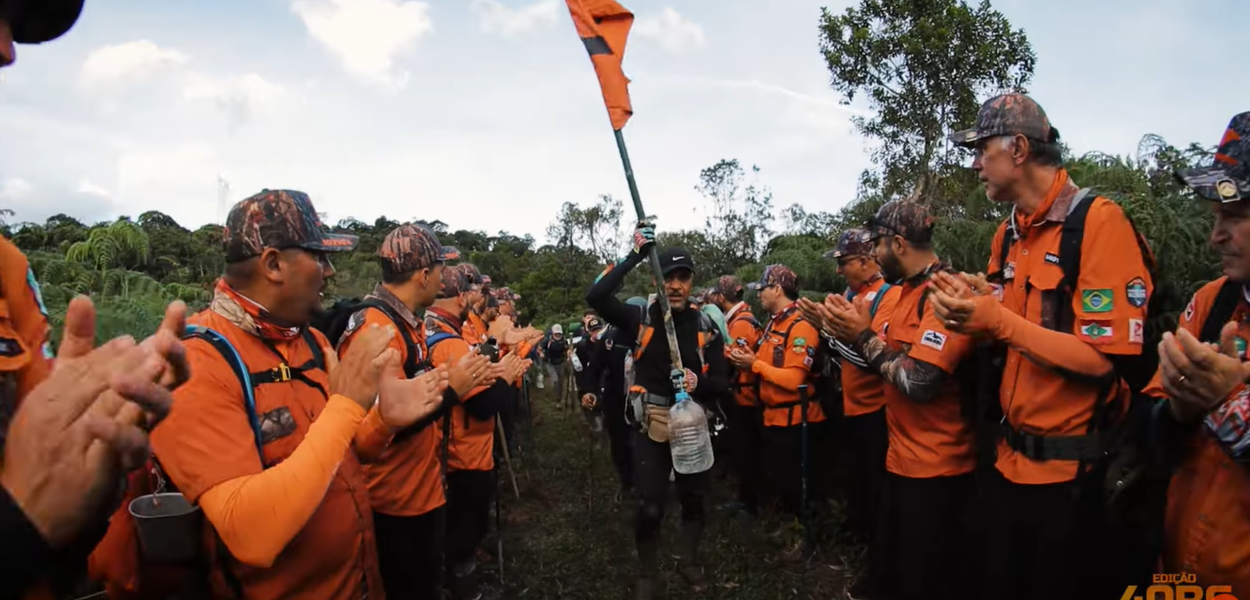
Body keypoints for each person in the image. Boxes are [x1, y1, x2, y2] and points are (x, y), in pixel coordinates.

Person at [147, 190, 447, 600]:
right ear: (273, 264)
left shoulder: (310, 342)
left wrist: (382, 422)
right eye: (318, 257)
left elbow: (345, 452)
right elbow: (250, 533)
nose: (329, 272)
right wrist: (346, 406)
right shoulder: (198, 362)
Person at [935, 93, 1156, 600]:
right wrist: (973, 310)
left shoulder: (1098, 224)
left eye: (981, 150)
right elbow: (1003, 318)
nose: (974, 165)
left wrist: (998, 321)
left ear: (1016, 149)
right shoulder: (1007, 235)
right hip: (1007, 461)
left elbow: (1104, 361)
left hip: (1071, 479)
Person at [1, 2, 190, 598]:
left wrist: (88, 485)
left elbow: (50, 486)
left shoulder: (7, 269)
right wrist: (18, 528)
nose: (8, 50)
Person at [821, 200, 976, 600]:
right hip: (901, 458)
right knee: (890, 566)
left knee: (926, 576)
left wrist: (861, 336)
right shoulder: (907, 292)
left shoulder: (943, 294)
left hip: (937, 468)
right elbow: (887, 360)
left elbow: (920, 381)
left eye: (878, 246)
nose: (872, 255)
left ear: (900, 244)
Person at [585, 224, 731, 600]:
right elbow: (597, 295)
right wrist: (635, 254)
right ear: (657, 279)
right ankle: (647, 569)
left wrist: (699, 381)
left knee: (694, 499)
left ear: (692, 280)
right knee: (649, 502)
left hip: (693, 424)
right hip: (651, 422)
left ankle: (688, 559)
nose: (676, 285)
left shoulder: (706, 325)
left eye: (683, 277)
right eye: (668, 277)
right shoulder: (641, 319)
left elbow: (723, 381)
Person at [343, 223, 486, 600]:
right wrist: (453, 389)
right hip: (395, 501)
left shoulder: (405, 323)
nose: (442, 279)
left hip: (421, 490)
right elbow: (386, 420)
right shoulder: (378, 329)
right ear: (424, 275)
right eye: (439, 269)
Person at [1140, 112, 1250, 594]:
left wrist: (1234, 405)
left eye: (1234, 216)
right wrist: (1180, 411)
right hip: (1180, 573)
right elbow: (1154, 435)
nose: (1215, 236)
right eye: (1215, 218)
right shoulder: (1212, 302)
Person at [426, 267, 526, 600]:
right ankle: (465, 590)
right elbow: (481, 403)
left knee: (465, 528)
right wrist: (505, 371)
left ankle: (464, 578)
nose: (484, 297)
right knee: (462, 532)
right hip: (462, 454)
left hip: (468, 450)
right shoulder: (450, 341)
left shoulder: (448, 332)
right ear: (463, 296)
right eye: (477, 291)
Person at [801, 228, 900, 557]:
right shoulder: (849, 296)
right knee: (856, 479)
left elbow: (876, 359)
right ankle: (858, 535)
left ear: (864, 260)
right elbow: (842, 352)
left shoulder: (888, 296)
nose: (838, 269)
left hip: (877, 412)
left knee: (877, 485)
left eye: (843, 262)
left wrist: (830, 334)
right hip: (852, 408)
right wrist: (826, 331)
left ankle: (878, 549)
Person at [730, 265, 826, 531]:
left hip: (797, 423)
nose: (758, 294)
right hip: (774, 419)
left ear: (777, 289)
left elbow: (794, 380)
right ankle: (787, 526)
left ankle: (807, 537)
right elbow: (765, 360)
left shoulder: (801, 324)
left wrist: (754, 366)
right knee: (784, 483)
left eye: (762, 289)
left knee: (800, 487)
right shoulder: (775, 322)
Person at [707, 276, 764, 516]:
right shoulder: (742, 318)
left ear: (721, 297)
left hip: (745, 398)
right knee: (744, 450)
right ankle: (747, 498)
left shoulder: (740, 323)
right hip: (747, 395)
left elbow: (736, 360)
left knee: (747, 452)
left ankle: (749, 503)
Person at [576, 317, 607, 434]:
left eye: (599, 330)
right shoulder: (583, 346)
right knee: (592, 407)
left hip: (603, 379)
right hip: (588, 379)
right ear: (589, 331)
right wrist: (582, 385)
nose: (596, 333)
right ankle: (596, 430)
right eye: (594, 330)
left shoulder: (606, 343)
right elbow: (579, 367)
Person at [542, 324, 570, 409]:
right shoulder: (548, 340)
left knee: (561, 382)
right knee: (556, 381)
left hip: (560, 362)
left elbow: (567, 349)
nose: (558, 335)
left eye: (559, 333)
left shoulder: (564, 340)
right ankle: (557, 401)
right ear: (553, 333)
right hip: (550, 363)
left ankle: (559, 399)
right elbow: (539, 349)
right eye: (556, 333)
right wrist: (541, 354)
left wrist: (568, 355)